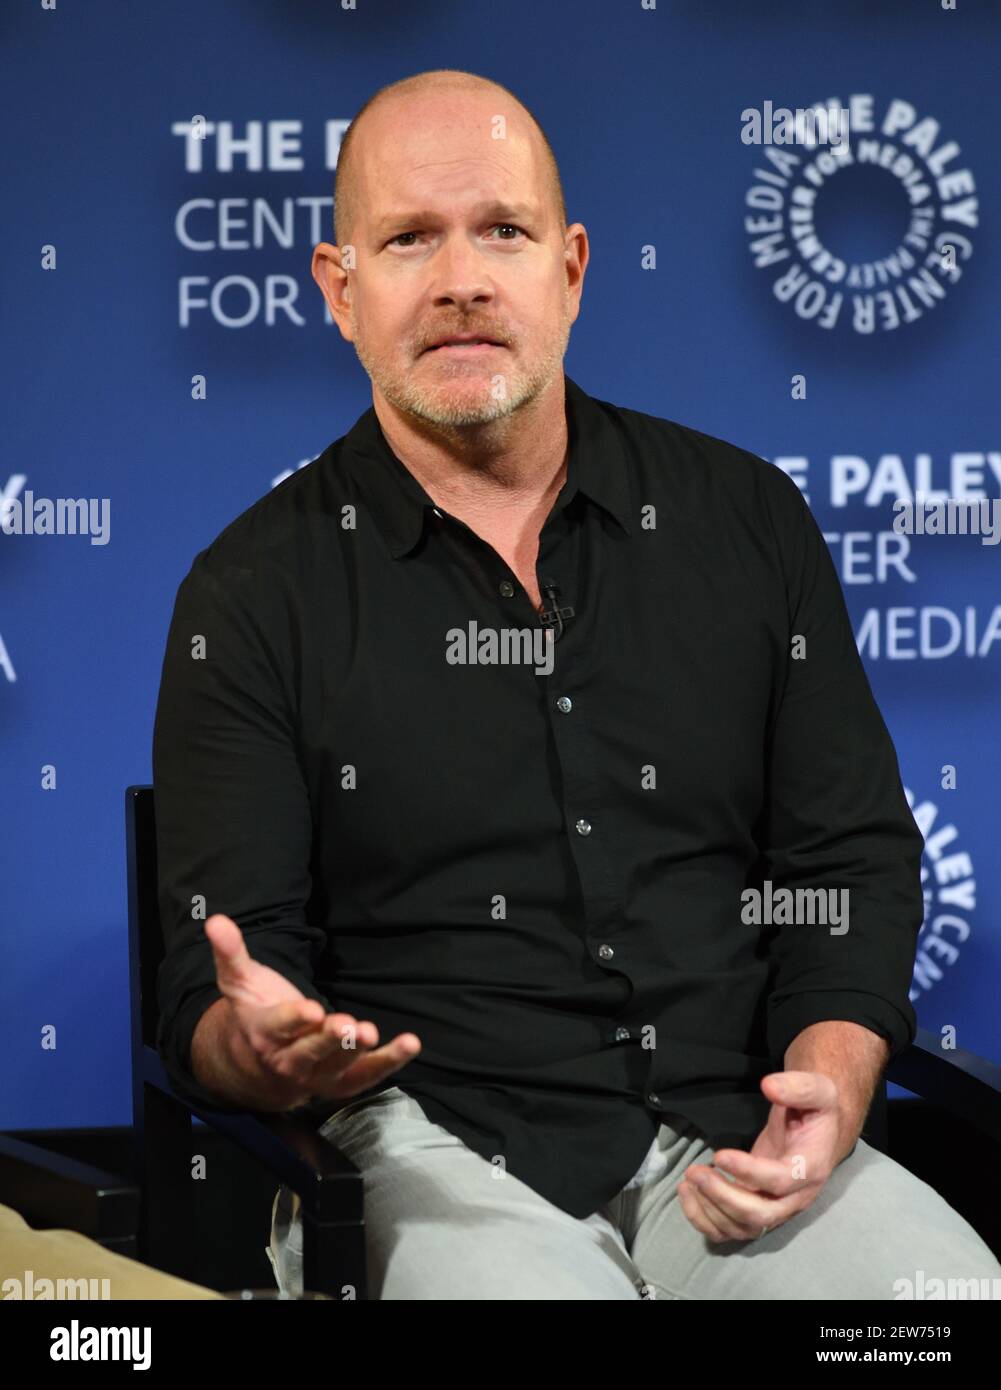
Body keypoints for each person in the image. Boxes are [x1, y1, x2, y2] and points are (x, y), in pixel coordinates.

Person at [152, 68, 1001, 1300]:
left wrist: (831, 1080)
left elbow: (848, 865)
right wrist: (264, 1047)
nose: (460, 281)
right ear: (340, 290)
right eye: (407, 241)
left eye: (501, 228)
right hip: (431, 1155)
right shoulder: (249, 595)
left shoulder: (743, 519)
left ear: (572, 268)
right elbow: (214, 995)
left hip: (735, 1136)